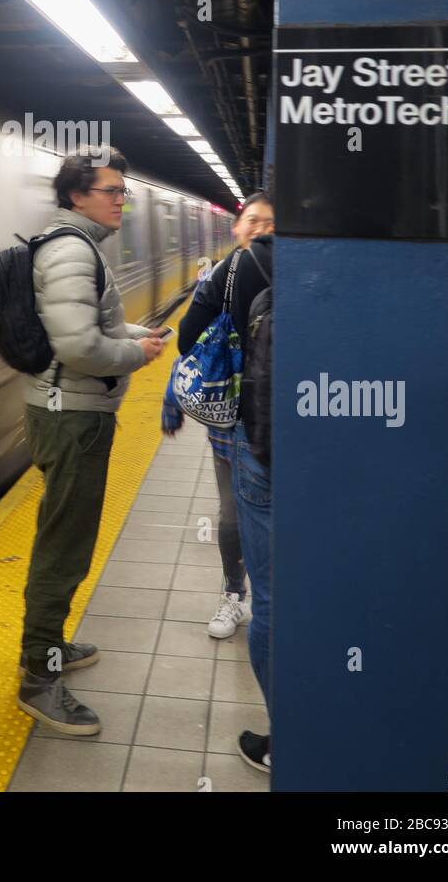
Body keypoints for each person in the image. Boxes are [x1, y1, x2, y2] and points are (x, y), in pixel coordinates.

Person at [17, 147, 166, 736]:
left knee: (66, 538)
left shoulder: (73, 248)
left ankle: (50, 645)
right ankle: (39, 675)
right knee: (65, 547)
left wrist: (134, 334)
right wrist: (136, 355)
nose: (121, 200)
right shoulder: (72, 252)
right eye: (112, 191)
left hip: (71, 412)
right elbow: (80, 348)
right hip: (72, 416)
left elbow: (82, 327)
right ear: (77, 195)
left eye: (122, 191)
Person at [176, 192, 274, 639]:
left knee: (239, 513)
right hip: (246, 414)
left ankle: (246, 597)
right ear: (235, 226)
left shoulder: (226, 273)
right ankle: (236, 593)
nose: (259, 228)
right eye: (252, 220)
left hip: (246, 413)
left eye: (268, 222)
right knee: (236, 512)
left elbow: (188, 339)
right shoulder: (231, 273)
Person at [231, 259, 273, 773]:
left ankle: (286, 738)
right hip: (288, 466)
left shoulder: (259, 286)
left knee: (271, 601)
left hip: (261, 459)